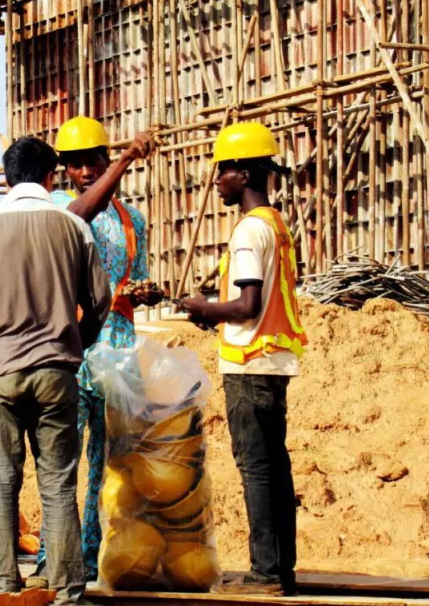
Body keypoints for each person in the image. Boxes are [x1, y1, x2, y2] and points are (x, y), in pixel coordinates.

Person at [0, 136, 112, 605]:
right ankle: (68, 591)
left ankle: (1, 586)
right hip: (56, 371)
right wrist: (78, 343)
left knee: (2, 483)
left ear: (7, 179)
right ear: (52, 177)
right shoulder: (73, 226)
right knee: (58, 483)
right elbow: (100, 300)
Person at [180, 122, 307, 596]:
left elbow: (248, 305)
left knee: (256, 466)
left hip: (249, 363)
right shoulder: (276, 224)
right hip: (273, 360)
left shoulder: (249, 231)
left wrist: (203, 308)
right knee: (275, 464)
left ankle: (265, 575)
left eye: (223, 171)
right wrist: (214, 313)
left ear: (246, 173)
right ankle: (282, 569)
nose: (217, 181)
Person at [32, 117, 157, 584]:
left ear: (103, 158)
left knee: (106, 468)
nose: (85, 170)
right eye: (75, 164)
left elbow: (129, 280)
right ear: (64, 172)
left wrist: (140, 294)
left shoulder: (133, 220)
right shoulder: (60, 207)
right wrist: (126, 160)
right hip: (72, 353)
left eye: (93, 161)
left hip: (117, 355)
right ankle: (52, 556)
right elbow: (82, 213)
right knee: (61, 461)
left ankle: (91, 556)